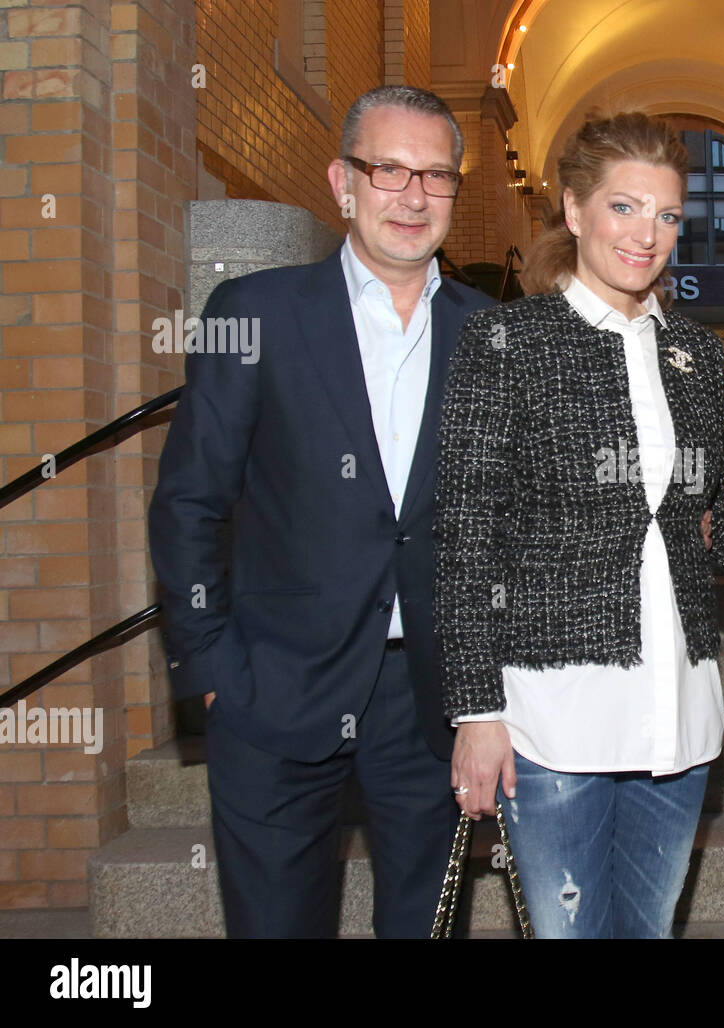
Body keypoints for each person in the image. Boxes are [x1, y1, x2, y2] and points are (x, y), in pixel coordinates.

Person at [148, 86, 494, 937]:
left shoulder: (492, 335)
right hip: (273, 686)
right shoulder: (254, 314)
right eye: (388, 170)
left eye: (436, 175)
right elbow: (189, 500)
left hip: (432, 700)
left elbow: (505, 529)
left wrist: (494, 701)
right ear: (343, 183)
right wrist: (212, 669)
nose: (413, 196)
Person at [435, 111, 724, 939]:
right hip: (553, 716)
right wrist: (475, 712)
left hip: (679, 713)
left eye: (667, 215)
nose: (647, 235)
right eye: (623, 207)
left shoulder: (694, 354)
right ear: (574, 211)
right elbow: (465, 535)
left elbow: (721, 522)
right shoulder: (505, 340)